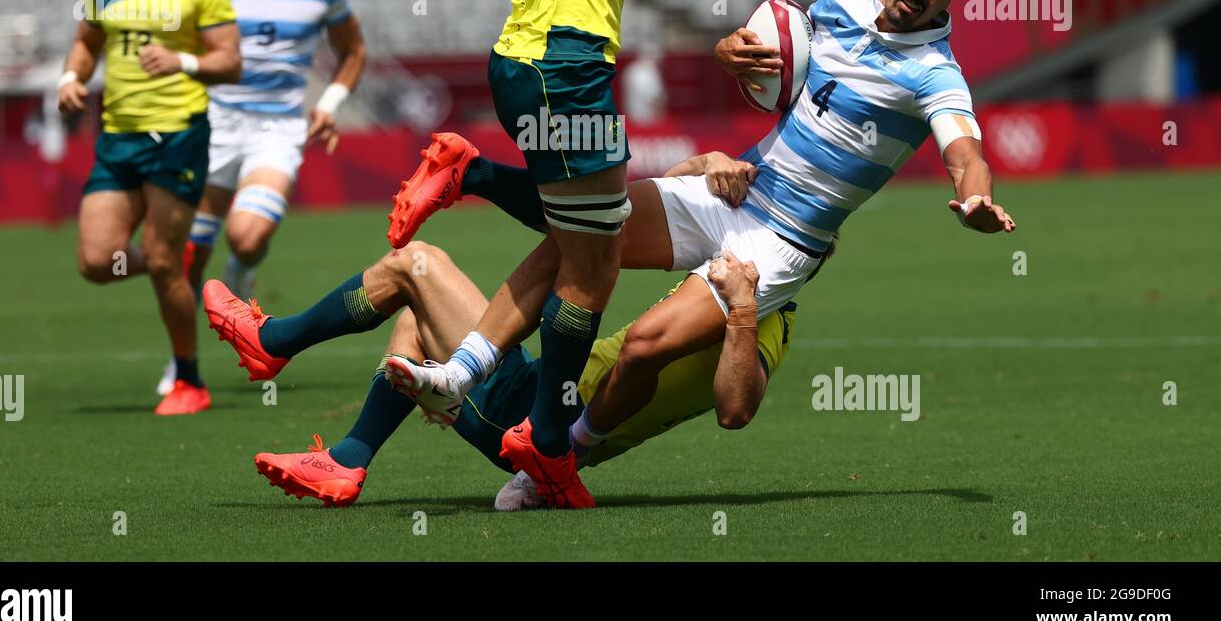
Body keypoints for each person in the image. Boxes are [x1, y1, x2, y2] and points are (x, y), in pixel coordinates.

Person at [385, 0, 1017, 507]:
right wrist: (730, 55)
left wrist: (975, 194)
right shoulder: (838, 8)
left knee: (645, 347)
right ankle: (465, 369)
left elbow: (965, 152)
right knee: (581, 236)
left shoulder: (936, 73)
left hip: (781, 243)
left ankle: (560, 459)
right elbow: (769, 68)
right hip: (739, 189)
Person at [384, 0, 837, 508]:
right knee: (589, 268)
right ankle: (551, 449)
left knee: (585, 237)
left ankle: (463, 364)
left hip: (533, 67)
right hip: (564, 67)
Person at [204, 238, 800, 508]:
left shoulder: (758, 310)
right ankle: (349, 457)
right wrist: (708, 161)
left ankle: (272, 342)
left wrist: (745, 305)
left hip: (531, 422)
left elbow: (735, 409)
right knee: (419, 310)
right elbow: (666, 202)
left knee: (417, 265)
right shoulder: (739, 270)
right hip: (537, 393)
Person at [165, 0, 366, 393]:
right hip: (213, 120)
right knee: (188, 253)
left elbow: (353, 51)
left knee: (247, 236)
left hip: (277, 126)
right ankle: (181, 362)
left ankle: (242, 276)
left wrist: (331, 102)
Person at [58, 0, 241, 415]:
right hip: (117, 138)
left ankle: (190, 380)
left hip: (177, 136)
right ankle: (172, 258)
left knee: (162, 265)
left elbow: (230, 61)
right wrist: (70, 78)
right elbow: (85, 44)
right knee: (95, 261)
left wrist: (183, 61)